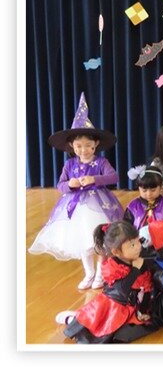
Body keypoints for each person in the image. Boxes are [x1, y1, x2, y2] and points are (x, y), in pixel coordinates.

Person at [29, 92, 124, 290]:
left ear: (96, 144)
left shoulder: (101, 162)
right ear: (72, 145)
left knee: (100, 240)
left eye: (88, 145)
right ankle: (89, 273)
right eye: (79, 146)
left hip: (99, 205)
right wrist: (70, 184)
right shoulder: (69, 164)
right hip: (75, 207)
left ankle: (100, 274)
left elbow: (114, 177)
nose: (84, 150)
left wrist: (95, 179)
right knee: (82, 240)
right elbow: (60, 185)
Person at [56, 221, 156, 343]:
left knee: (138, 328)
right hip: (111, 308)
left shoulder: (139, 257)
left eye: (137, 241)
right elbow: (121, 291)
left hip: (130, 308)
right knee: (95, 331)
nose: (138, 247)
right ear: (116, 252)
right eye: (132, 245)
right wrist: (135, 269)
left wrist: (142, 311)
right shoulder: (113, 267)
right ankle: (71, 319)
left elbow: (146, 288)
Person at [123, 164, 163, 235]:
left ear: (161, 186)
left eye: (153, 190)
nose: (148, 194)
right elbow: (126, 227)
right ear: (138, 188)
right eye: (144, 190)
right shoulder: (133, 206)